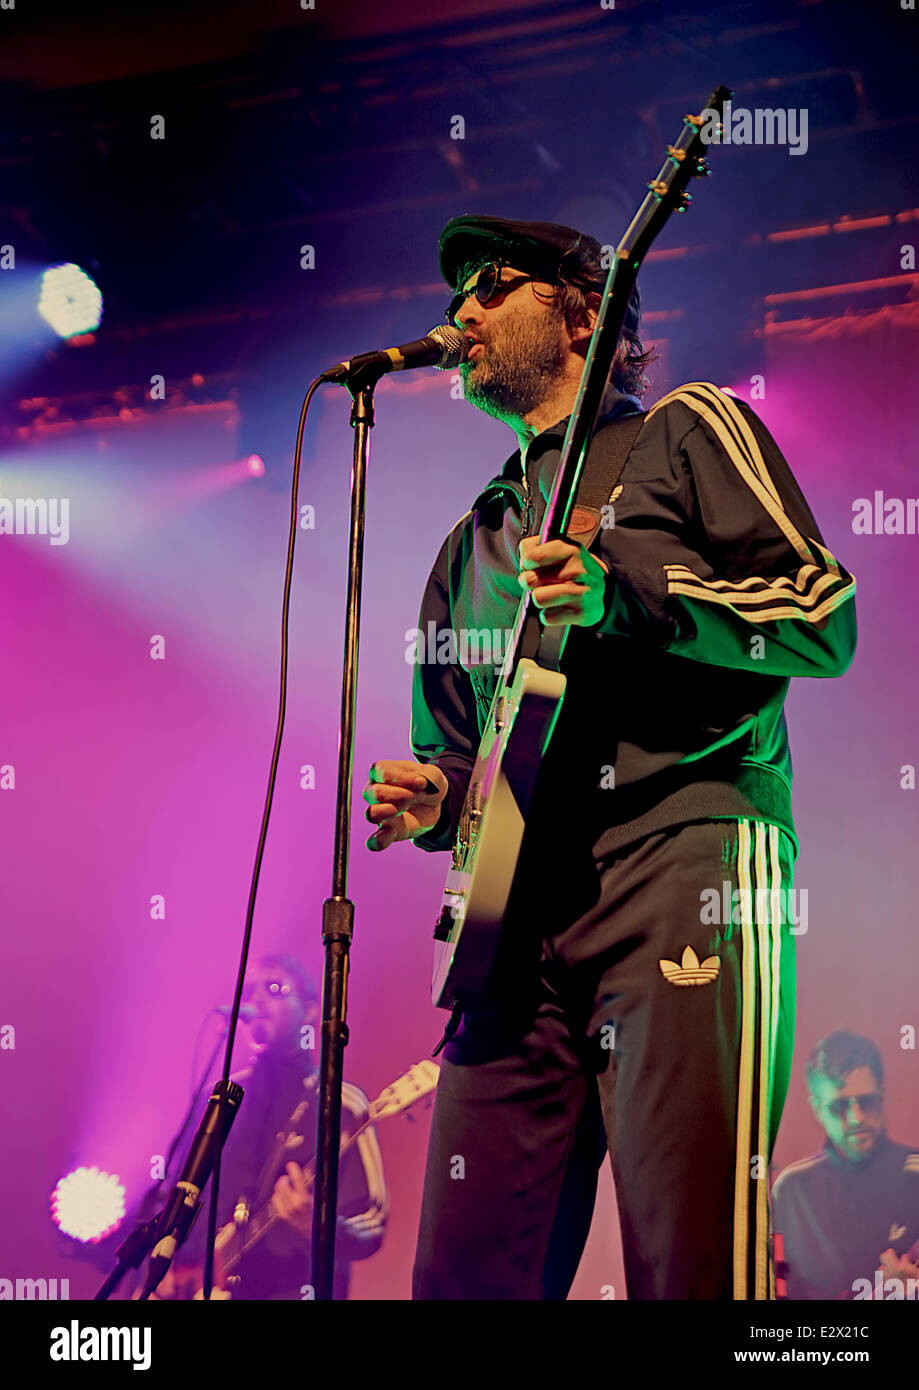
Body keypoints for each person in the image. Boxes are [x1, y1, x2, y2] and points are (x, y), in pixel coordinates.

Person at [362, 214, 858, 1300]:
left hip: (683, 860)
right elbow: (456, 754)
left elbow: (823, 619)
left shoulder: (689, 429)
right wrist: (429, 797)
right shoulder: (475, 537)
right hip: (511, 925)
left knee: (692, 1264)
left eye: (492, 286)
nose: (462, 314)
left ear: (584, 308)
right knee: (461, 1275)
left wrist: (628, 596)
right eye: (457, 298)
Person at [151, 954, 388, 1300]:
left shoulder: (339, 1103)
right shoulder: (216, 1101)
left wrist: (316, 1227)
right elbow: (173, 1196)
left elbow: (372, 1222)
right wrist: (162, 1264)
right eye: (251, 992)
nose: (257, 999)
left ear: (309, 1011)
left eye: (275, 989)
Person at [772, 1031, 919, 1299]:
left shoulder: (916, 1176)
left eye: (866, 1101)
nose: (856, 1117)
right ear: (817, 1109)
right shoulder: (791, 1190)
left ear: (882, 1095)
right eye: (840, 1106)